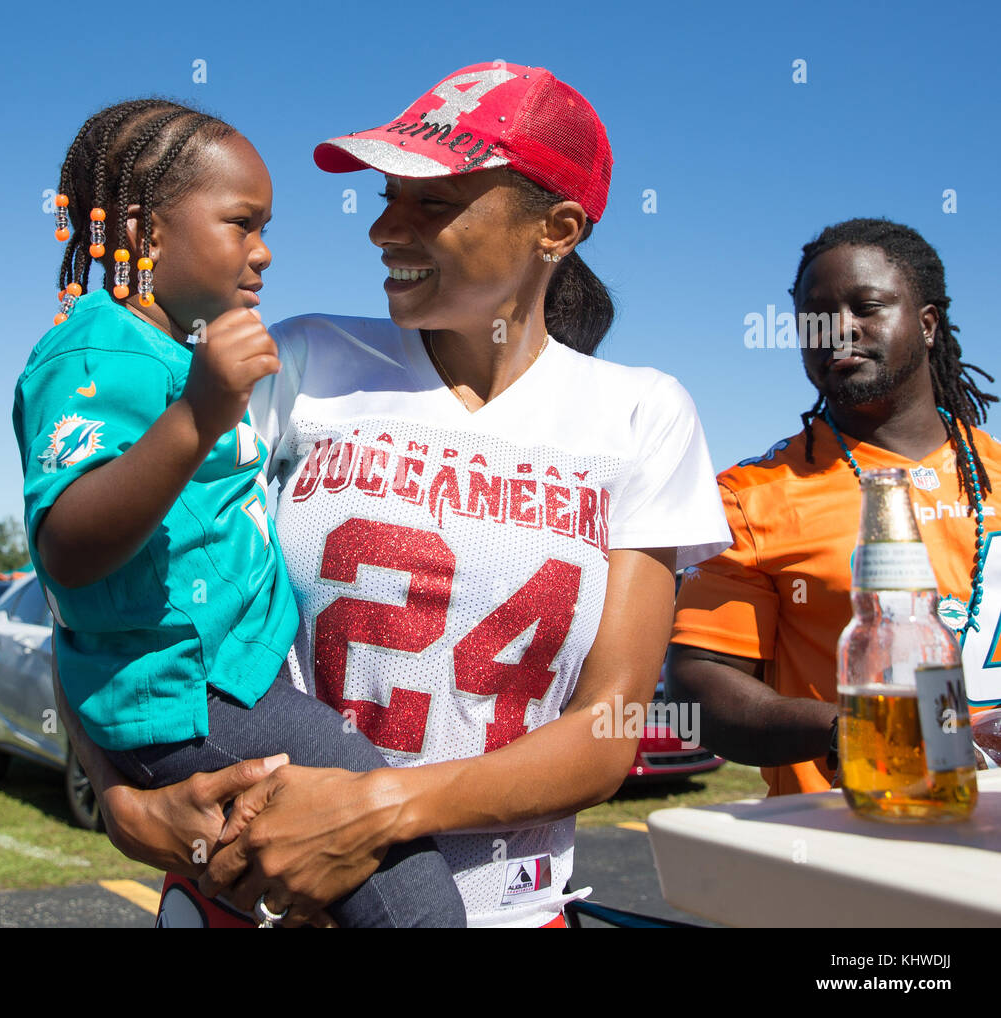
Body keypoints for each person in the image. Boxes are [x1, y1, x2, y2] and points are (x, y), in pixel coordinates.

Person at [57, 63, 732, 928]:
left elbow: (606, 728)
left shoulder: (642, 414)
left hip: (506, 913)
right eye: (386, 197)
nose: (383, 229)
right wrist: (124, 806)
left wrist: (374, 810)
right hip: (247, 900)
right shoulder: (297, 362)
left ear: (557, 228)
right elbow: (99, 596)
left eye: (432, 203)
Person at [14, 98, 467, 927]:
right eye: (241, 223)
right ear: (146, 235)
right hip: (194, 695)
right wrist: (199, 414)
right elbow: (66, 550)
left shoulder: (168, 350)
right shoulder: (92, 352)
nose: (263, 253)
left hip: (230, 683)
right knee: (416, 896)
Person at [669, 218, 1000, 797]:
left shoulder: (992, 468)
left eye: (867, 307)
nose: (837, 330)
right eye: (815, 316)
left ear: (927, 324)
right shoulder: (752, 495)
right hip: (847, 845)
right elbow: (702, 683)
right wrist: (858, 734)